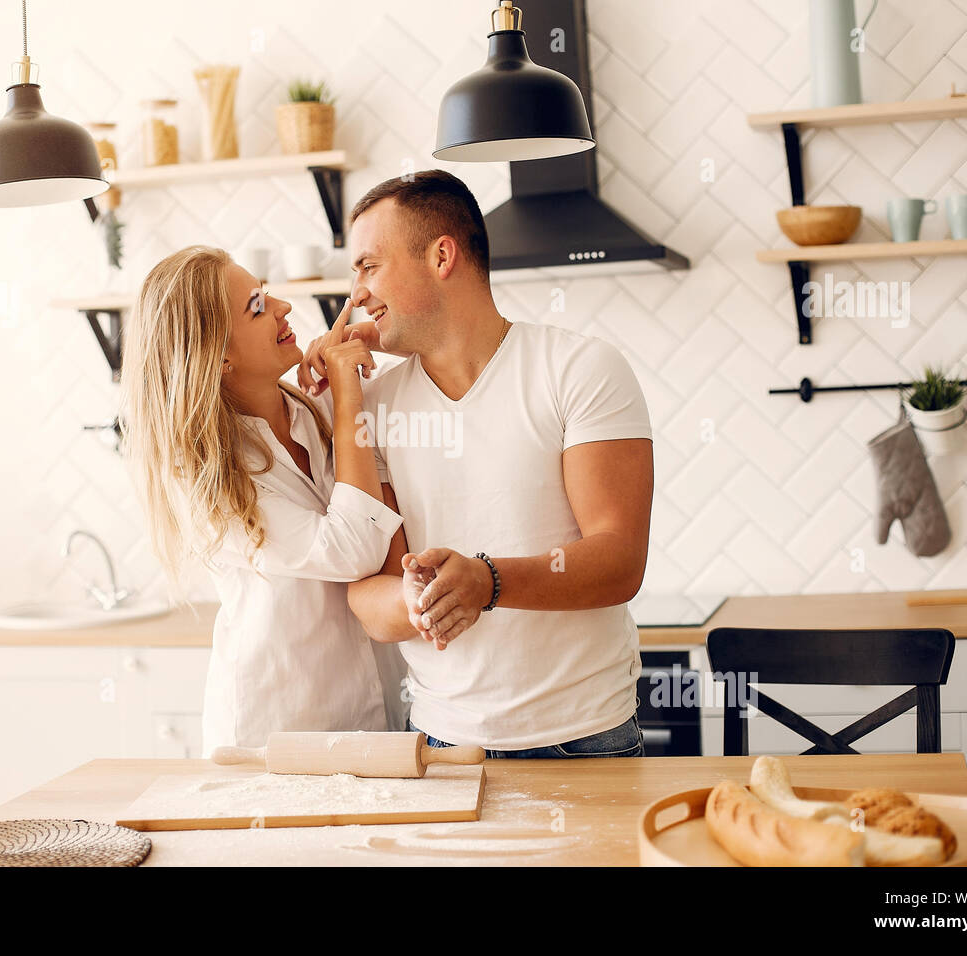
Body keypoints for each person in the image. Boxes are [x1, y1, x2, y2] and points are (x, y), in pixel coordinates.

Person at [299, 170, 655, 758]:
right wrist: (420, 602)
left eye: (368, 266)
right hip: (443, 745)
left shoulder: (578, 369)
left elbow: (620, 561)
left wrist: (487, 582)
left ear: (442, 256)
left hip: (588, 739)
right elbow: (372, 599)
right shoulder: (372, 406)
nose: (355, 294)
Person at [119, 245, 407, 754]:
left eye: (268, 294)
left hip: (379, 719)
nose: (284, 308)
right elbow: (353, 549)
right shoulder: (205, 477)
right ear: (219, 355)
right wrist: (346, 400)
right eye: (257, 306)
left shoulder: (315, 409)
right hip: (275, 738)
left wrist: (358, 373)